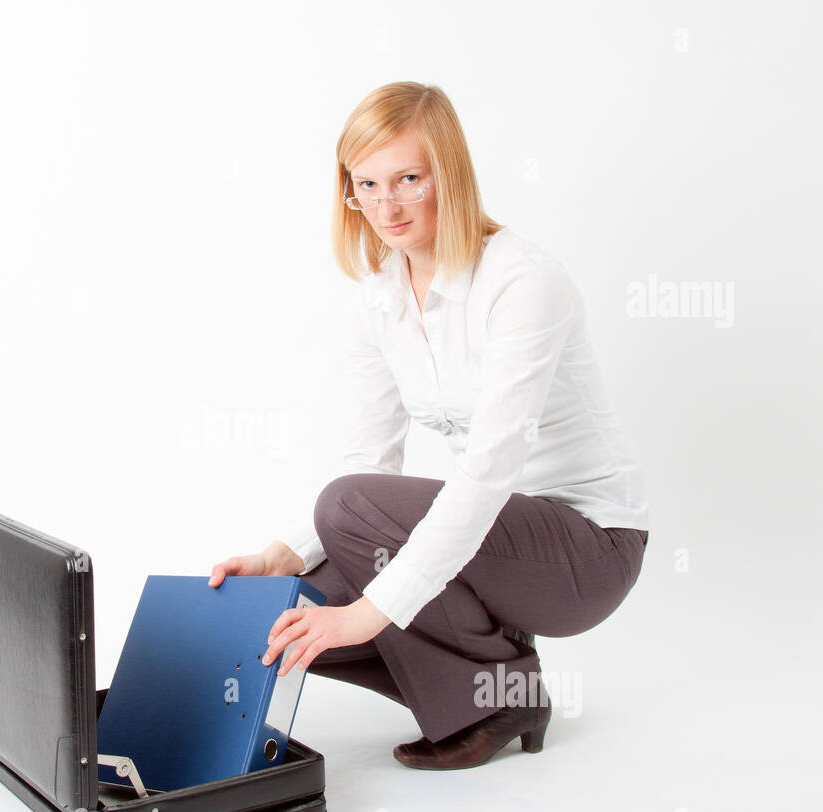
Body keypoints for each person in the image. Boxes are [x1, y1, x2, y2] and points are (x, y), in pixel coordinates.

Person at [208, 81, 650, 770]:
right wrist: (287, 555)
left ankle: (494, 696)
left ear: (449, 173)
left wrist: (368, 611)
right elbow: (368, 467)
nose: (386, 205)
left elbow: (487, 473)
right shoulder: (378, 297)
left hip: (586, 551)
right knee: (291, 610)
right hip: (491, 537)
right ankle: (499, 689)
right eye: (368, 184)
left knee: (351, 548)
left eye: (409, 179)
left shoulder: (522, 282)